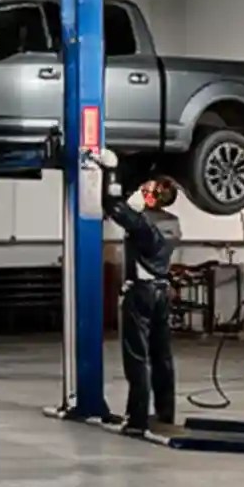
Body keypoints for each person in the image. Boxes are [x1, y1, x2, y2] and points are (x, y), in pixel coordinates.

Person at [98, 149, 181, 434]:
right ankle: (165, 414)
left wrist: (110, 170)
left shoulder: (143, 223)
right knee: (162, 356)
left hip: (141, 293)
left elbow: (112, 206)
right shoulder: (173, 223)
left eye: (147, 188)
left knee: (137, 357)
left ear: (154, 196)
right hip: (162, 291)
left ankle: (137, 419)